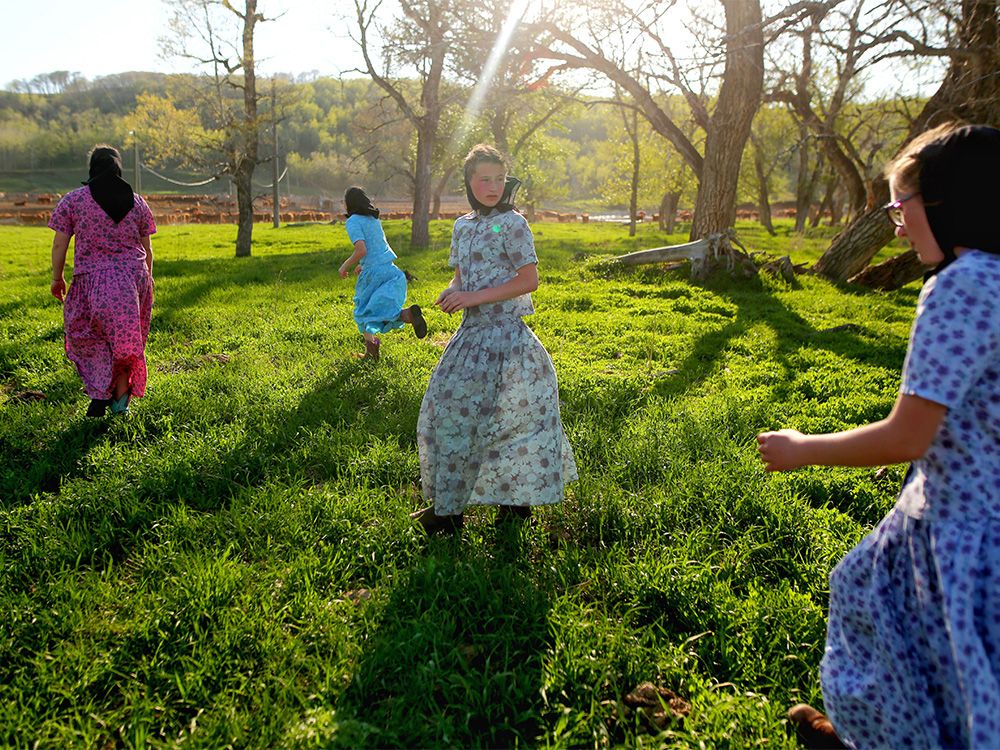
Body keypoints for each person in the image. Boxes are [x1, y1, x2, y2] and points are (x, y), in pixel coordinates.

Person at [757, 123, 1000, 749]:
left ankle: (872, 735)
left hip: (956, 530)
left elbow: (907, 437)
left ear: (947, 205)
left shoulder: (960, 287)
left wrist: (801, 447)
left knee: (882, 611)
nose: (896, 223)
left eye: (901, 206)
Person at [413, 144, 578, 534]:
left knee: (514, 421)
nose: (492, 186)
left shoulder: (514, 223)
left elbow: (529, 280)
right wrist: (452, 292)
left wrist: (472, 297)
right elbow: (462, 276)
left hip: (508, 339)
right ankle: (449, 509)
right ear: (469, 182)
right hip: (470, 338)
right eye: (484, 179)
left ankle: (515, 508)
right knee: (449, 415)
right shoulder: (463, 226)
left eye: (499, 179)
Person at [49, 144, 156, 417]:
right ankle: (119, 403)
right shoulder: (137, 202)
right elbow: (148, 249)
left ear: (92, 168)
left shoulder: (73, 201)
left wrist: (57, 277)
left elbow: (60, 244)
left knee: (88, 336)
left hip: (92, 283)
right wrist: (147, 280)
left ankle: (100, 392)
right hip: (134, 279)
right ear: (118, 168)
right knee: (126, 343)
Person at [340, 186, 426, 360]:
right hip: (391, 270)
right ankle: (409, 314)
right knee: (383, 310)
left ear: (348, 204)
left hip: (373, 273)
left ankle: (371, 354)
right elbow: (377, 249)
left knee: (362, 313)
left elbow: (361, 250)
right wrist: (364, 265)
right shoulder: (373, 220)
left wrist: (345, 266)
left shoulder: (353, 222)